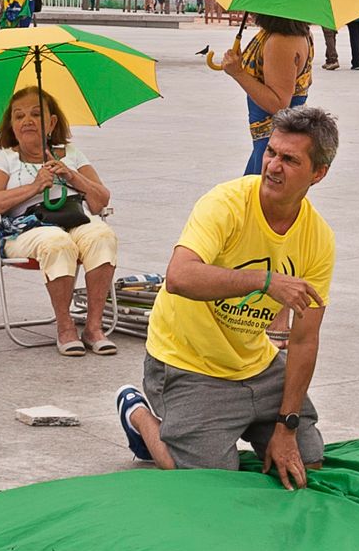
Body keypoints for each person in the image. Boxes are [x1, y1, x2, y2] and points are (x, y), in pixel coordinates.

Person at [115, 108, 338, 487]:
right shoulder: (225, 203)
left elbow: (304, 339)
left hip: (256, 365)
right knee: (208, 482)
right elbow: (178, 277)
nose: (273, 166)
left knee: (309, 464)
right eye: (271, 152)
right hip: (186, 363)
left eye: (289, 159)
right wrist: (264, 281)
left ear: (318, 173)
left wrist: (286, 428)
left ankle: (243, 426)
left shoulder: (318, 238)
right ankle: (138, 413)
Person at [0, 87, 119, 355]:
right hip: (25, 230)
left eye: (35, 114)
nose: (26, 120)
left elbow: (101, 200)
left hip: (75, 219)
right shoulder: (4, 159)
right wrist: (33, 187)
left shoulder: (72, 154)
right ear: (11, 125)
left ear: (52, 122)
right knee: (56, 241)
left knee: (101, 234)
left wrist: (71, 176)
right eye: (19, 116)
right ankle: (65, 328)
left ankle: (93, 327)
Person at [219, 14, 314, 174]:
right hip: (272, 141)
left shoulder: (281, 41)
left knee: (261, 196)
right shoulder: (297, 34)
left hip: (272, 145)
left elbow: (278, 103)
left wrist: (238, 73)